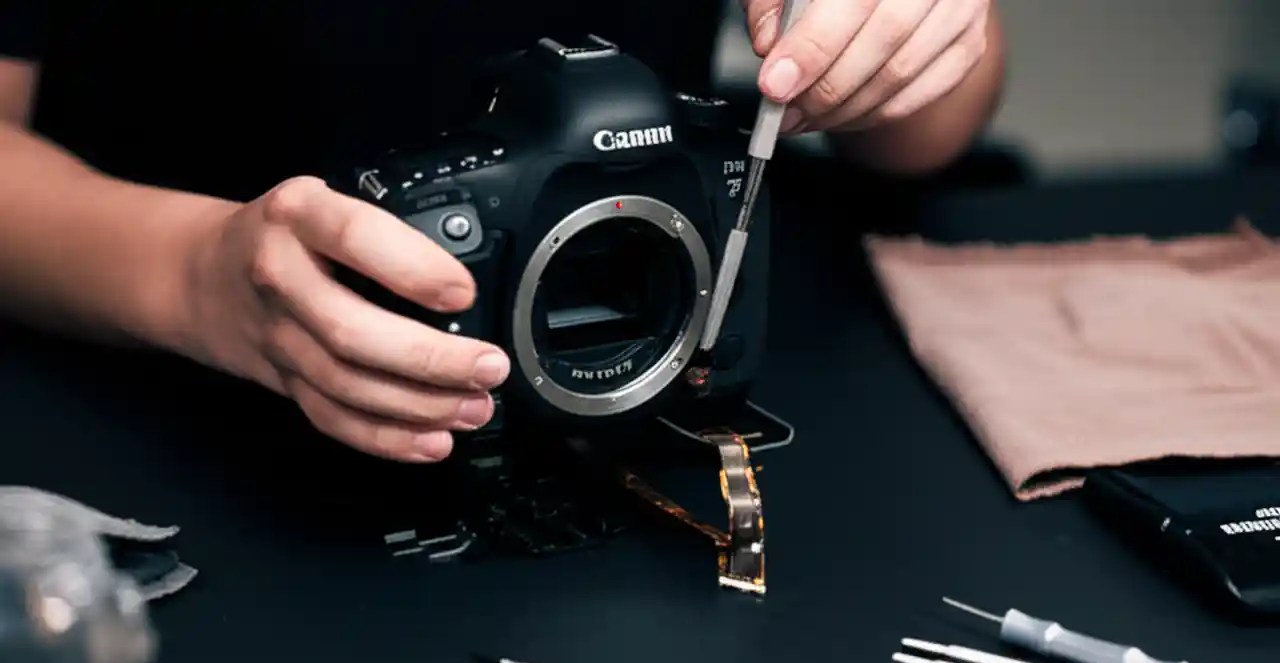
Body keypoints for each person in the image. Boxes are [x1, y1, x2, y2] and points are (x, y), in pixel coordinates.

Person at [0, 0, 1005, 463]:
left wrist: (900, 41)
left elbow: (931, 133)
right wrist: (190, 275)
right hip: (147, 394)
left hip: (663, 396)